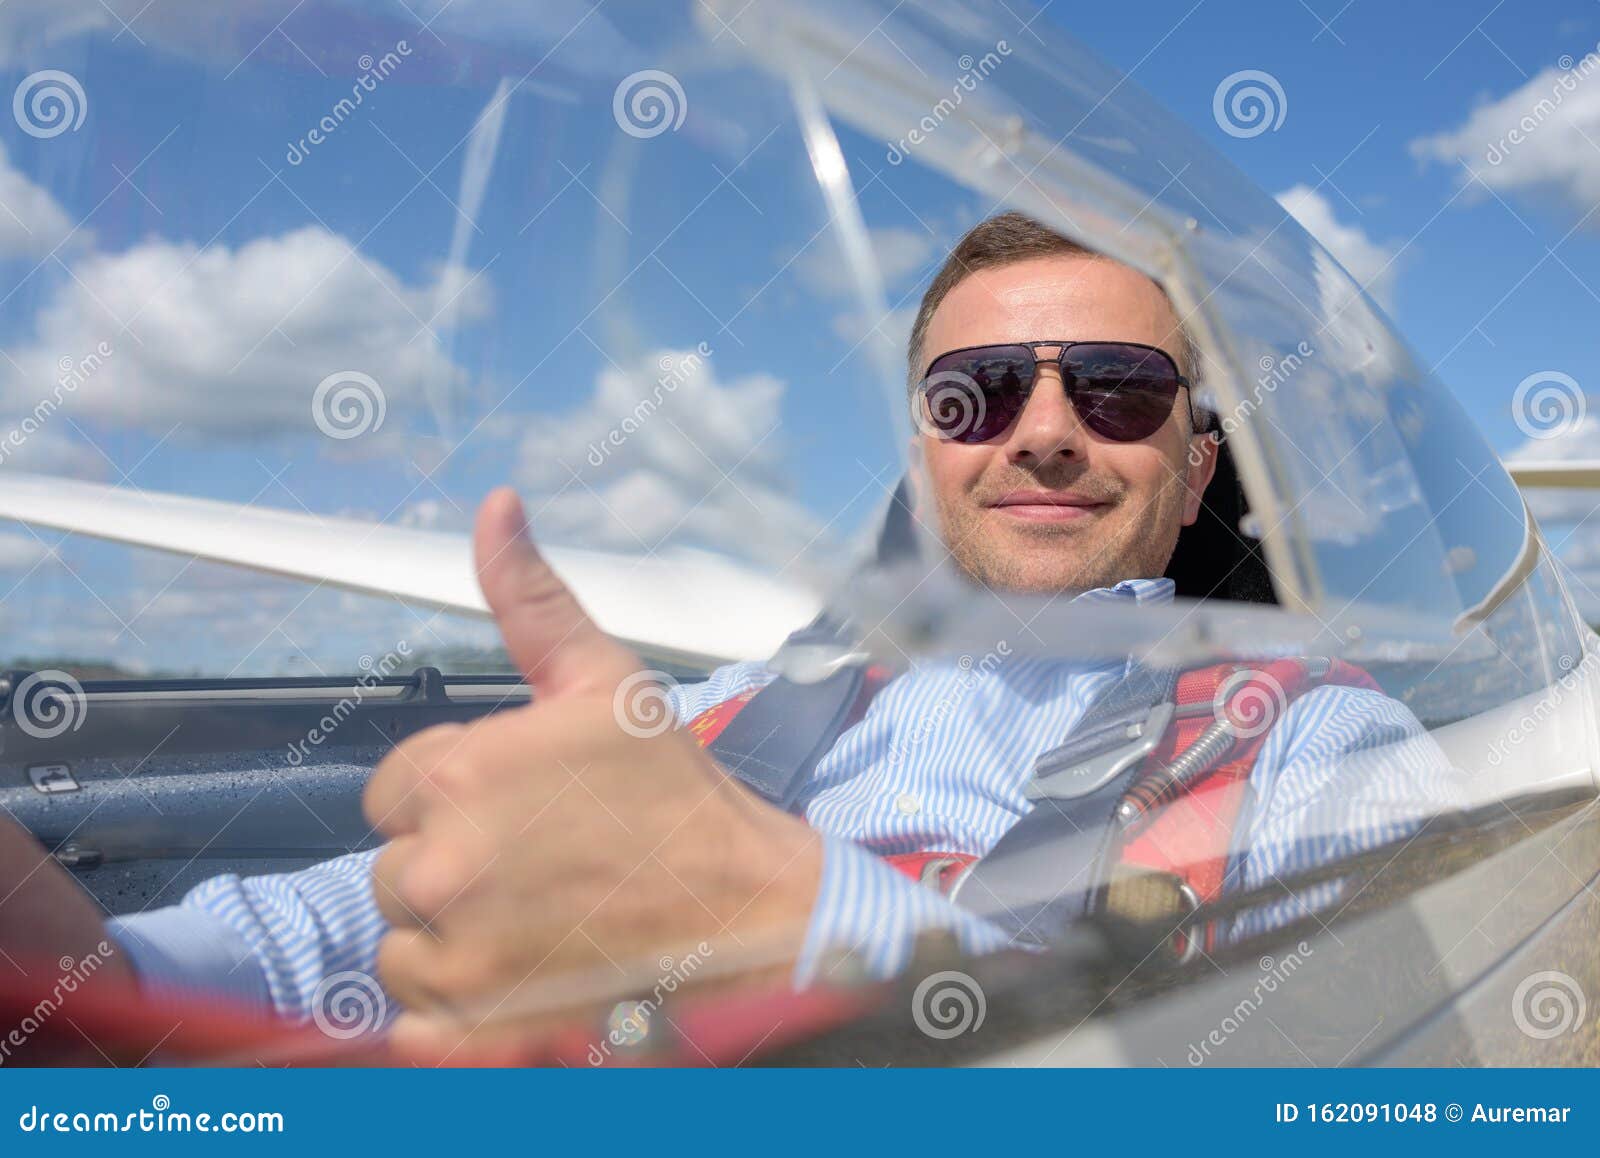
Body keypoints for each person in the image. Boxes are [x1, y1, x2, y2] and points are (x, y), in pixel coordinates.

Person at [0, 213, 1458, 1054]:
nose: (1048, 432)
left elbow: (1284, 1076)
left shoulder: (1317, 736)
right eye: (982, 393)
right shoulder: (760, 700)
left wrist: (810, 932)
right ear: (927, 449)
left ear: (1197, 468)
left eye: (1124, 392)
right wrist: (86, 973)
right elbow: (355, 920)